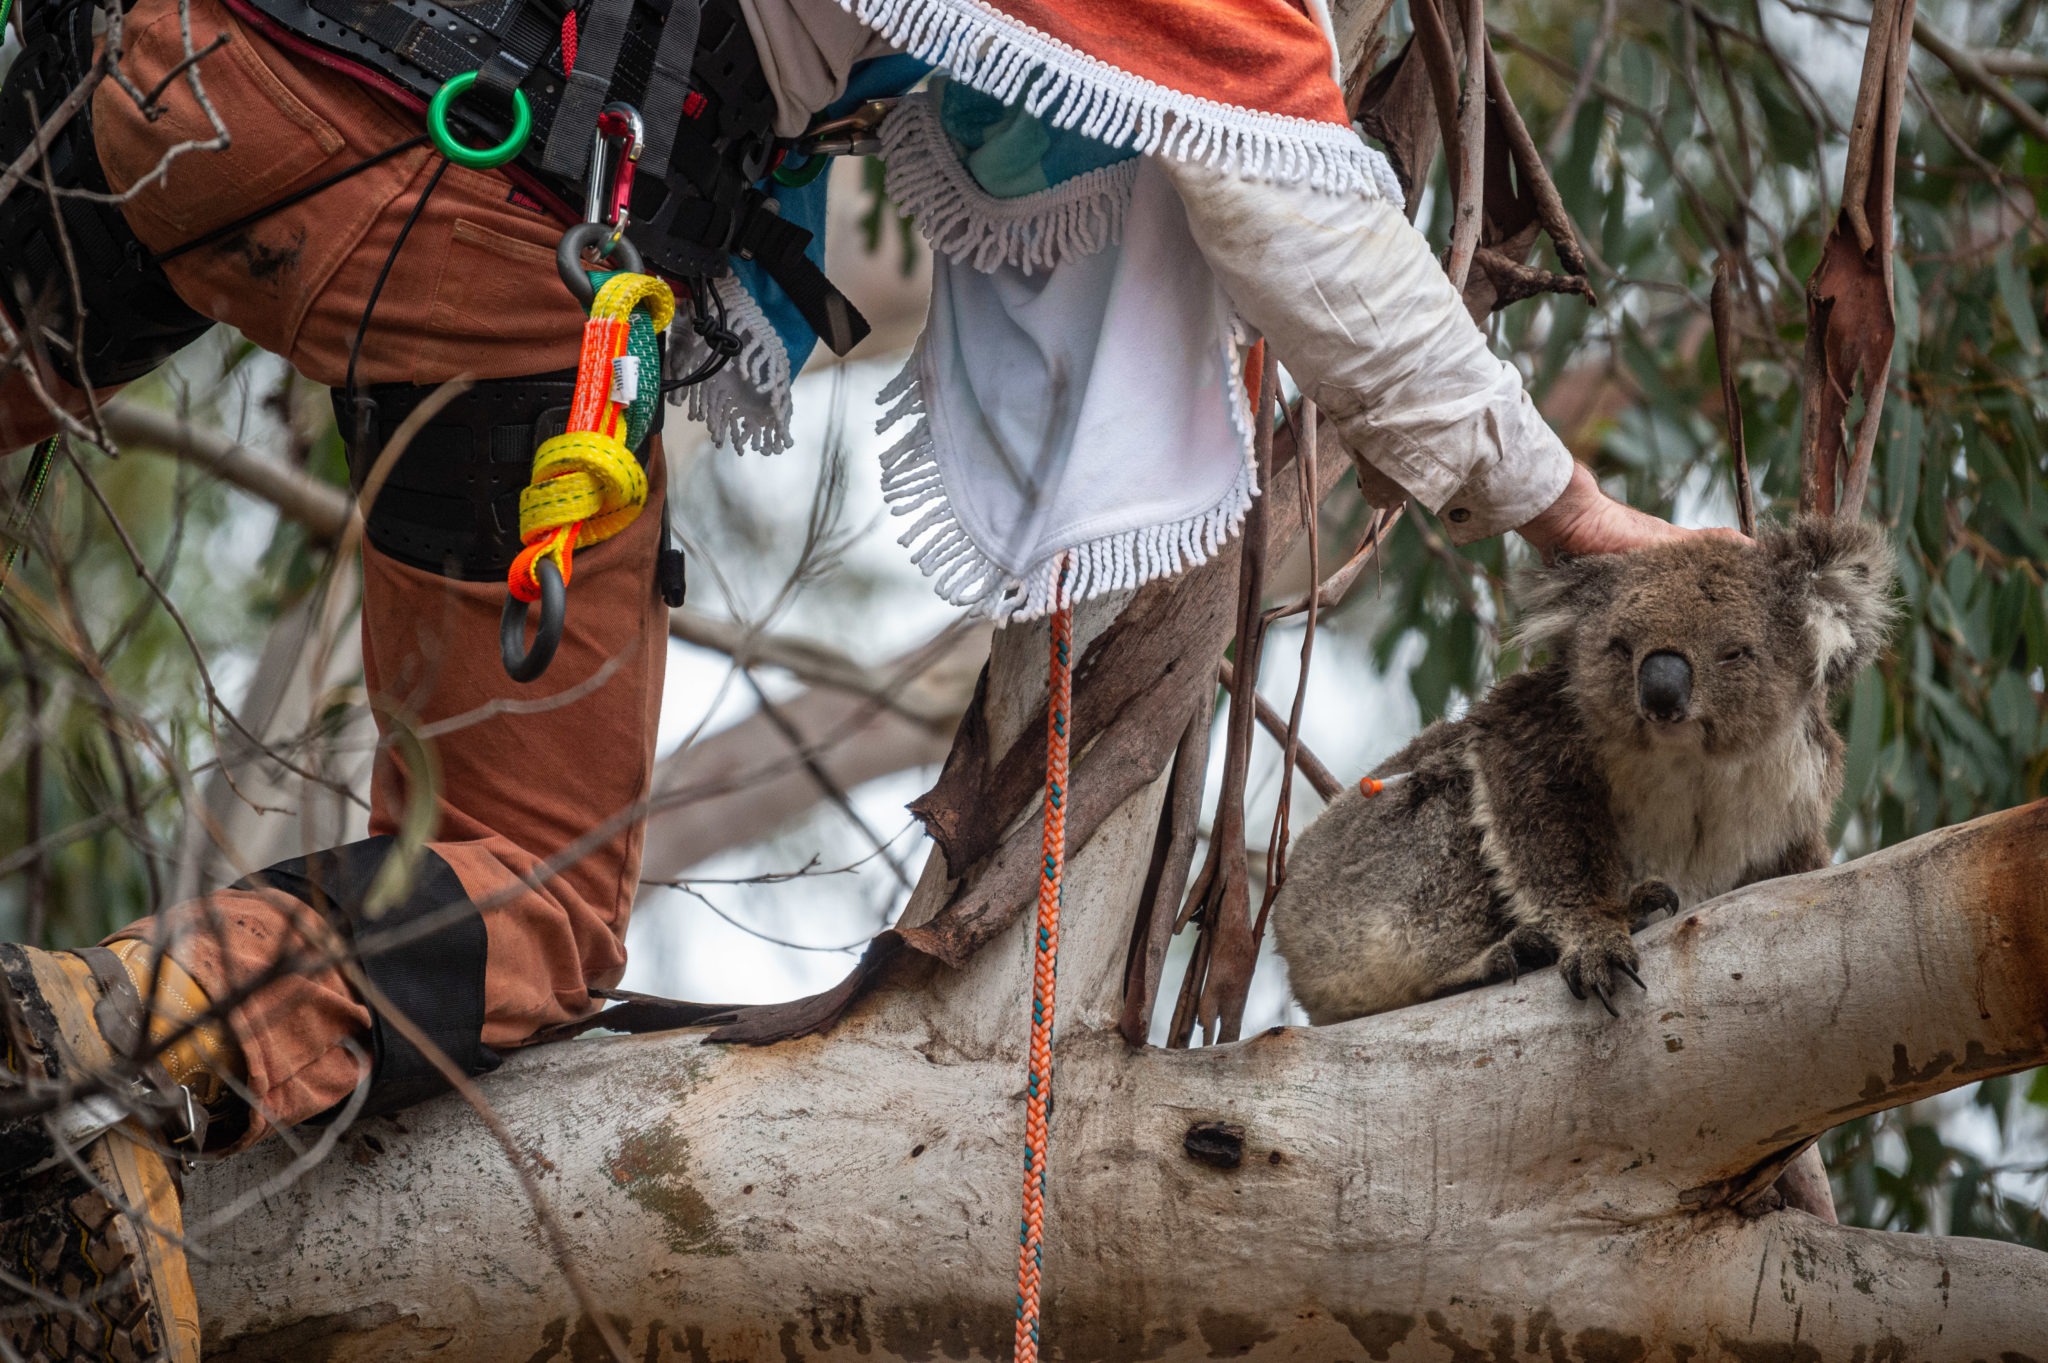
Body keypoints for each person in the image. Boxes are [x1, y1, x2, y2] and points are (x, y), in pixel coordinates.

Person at [0, 0, 1724, 1355]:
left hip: (172, 68)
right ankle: (112, 1031)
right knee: (529, 893)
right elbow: (1296, 216)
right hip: (475, 187)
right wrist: (1565, 509)